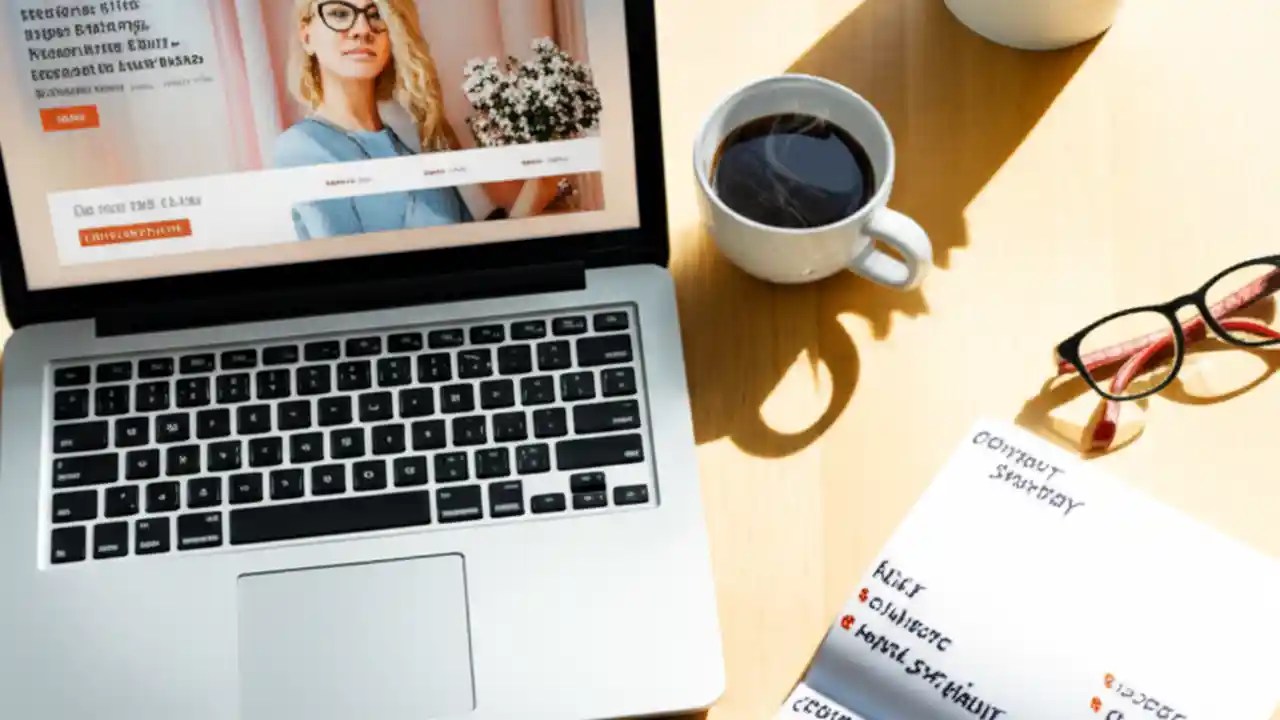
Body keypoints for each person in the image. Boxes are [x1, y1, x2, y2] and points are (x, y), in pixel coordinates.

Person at [275, 0, 471, 240]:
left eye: (376, 14)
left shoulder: (418, 144)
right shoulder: (302, 148)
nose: (362, 29)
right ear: (307, 37)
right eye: (339, 13)